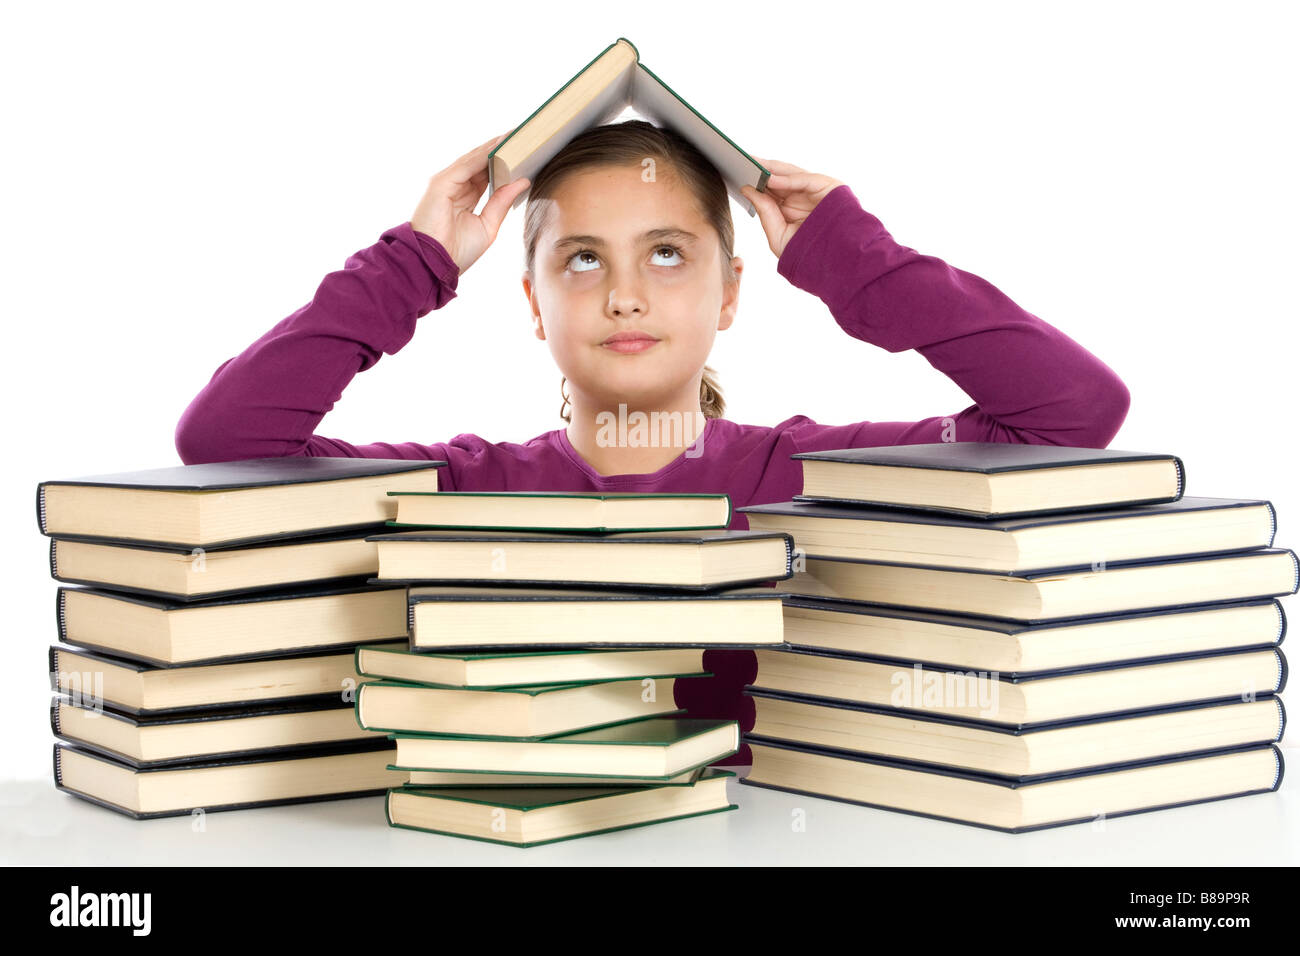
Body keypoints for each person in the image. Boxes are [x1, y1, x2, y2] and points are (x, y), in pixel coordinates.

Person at [175, 120, 1130, 764]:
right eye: (582, 259)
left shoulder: (804, 476)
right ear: (534, 307)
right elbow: (227, 446)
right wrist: (414, 264)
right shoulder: (468, 488)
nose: (625, 293)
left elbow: (1068, 414)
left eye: (666, 253)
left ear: (728, 295)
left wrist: (854, 259)